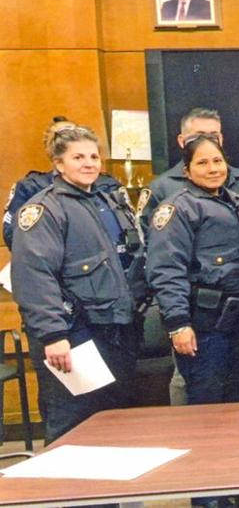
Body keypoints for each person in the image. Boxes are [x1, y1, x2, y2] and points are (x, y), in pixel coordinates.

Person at [11, 126, 144, 445]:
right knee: (74, 423)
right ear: (58, 164)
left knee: (114, 421)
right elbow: (34, 276)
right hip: (74, 335)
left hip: (116, 329)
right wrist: (54, 335)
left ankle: (112, 497)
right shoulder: (43, 209)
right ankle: (68, 496)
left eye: (94, 156)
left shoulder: (108, 201)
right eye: (78, 157)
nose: (89, 163)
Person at [147, 134, 239, 404]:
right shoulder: (178, 208)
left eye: (217, 161)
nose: (213, 169)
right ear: (187, 171)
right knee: (207, 405)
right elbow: (166, 270)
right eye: (202, 163)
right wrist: (178, 325)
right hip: (204, 325)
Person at [4, 117, 123, 248]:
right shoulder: (31, 187)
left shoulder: (107, 185)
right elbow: (13, 236)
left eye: (94, 157)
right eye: (58, 138)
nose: (88, 164)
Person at [142, 108, 239, 234]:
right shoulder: (161, 189)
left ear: (221, 139)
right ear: (182, 141)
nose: (206, 142)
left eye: (213, 137)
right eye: (199, 137)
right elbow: (147, 241)